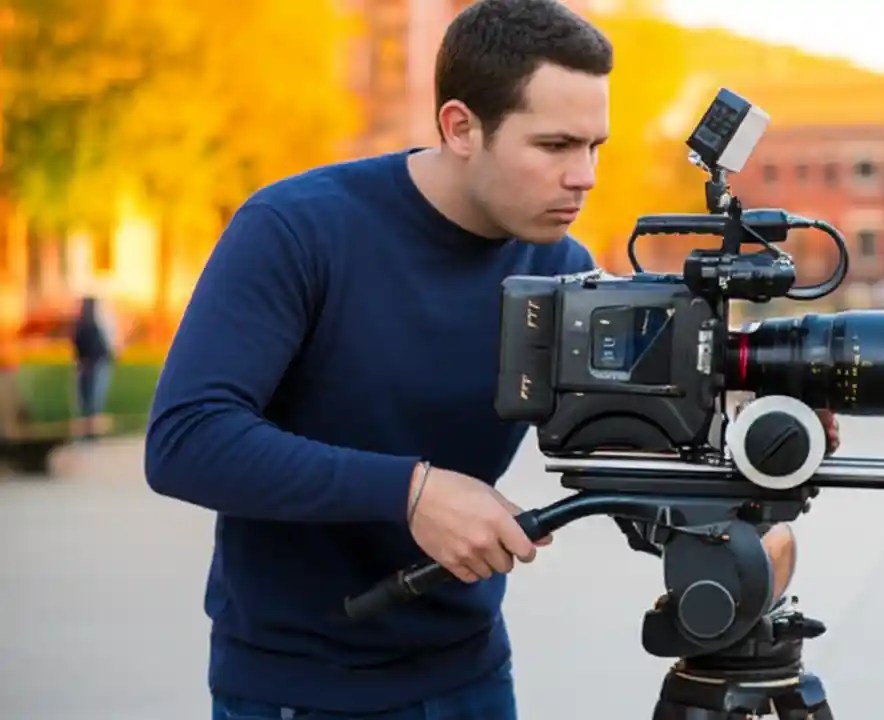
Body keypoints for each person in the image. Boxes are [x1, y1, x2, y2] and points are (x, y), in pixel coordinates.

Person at [144, 2, 836, 719]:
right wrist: (411, 491)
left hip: (471, 677)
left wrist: (753, 457)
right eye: (556, 146)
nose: (585, 176)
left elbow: (625, 458)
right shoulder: (297, 229)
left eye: (595, 145)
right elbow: (187, 439)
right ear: (460, 127)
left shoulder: (565, 267)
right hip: (299, 688)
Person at [71, 293, 119, 437]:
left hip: (93, 363)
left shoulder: (90, 323)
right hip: (92, 363)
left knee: (90, 398)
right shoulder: (88, 323)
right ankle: (89, 429)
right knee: (90, 398)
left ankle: (90, 429)